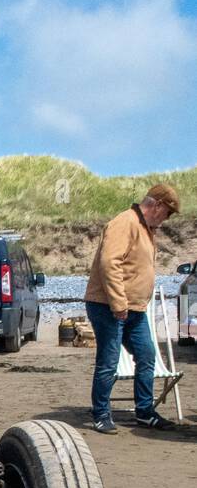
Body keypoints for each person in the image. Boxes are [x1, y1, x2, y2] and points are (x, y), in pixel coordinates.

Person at [84, 184, 180, 433]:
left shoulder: (146, 229)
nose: (166, 219)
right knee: (109, 360)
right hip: (107, 305)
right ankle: (101, 413)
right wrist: (118, 303)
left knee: (147, 356)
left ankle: (145, 412)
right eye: (167, 213)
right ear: (157, 205)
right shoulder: (124, 222)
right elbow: (109, 263)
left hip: (134, 308)